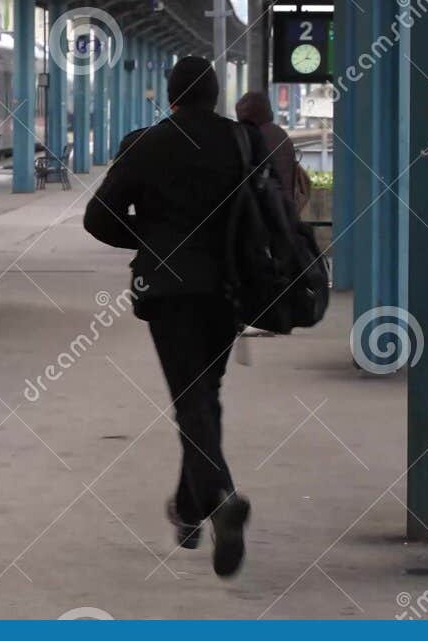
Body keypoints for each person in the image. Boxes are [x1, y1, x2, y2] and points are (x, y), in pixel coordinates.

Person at [82, 55, 253, 577]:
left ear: (172, 94)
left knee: (191, 399)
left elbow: (97, 217)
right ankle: (189, 509)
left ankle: (220, 498)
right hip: (227, 289)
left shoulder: (149, 143)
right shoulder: (240, 141)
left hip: (171, 291)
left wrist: (150, 240)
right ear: (216, 95)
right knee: (204, 395)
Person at [235, 90, 305, 219]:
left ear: (253, 114)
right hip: (284, 209)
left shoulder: (256, 136)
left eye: (241, 116)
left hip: (266, 213)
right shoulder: (279, 134)